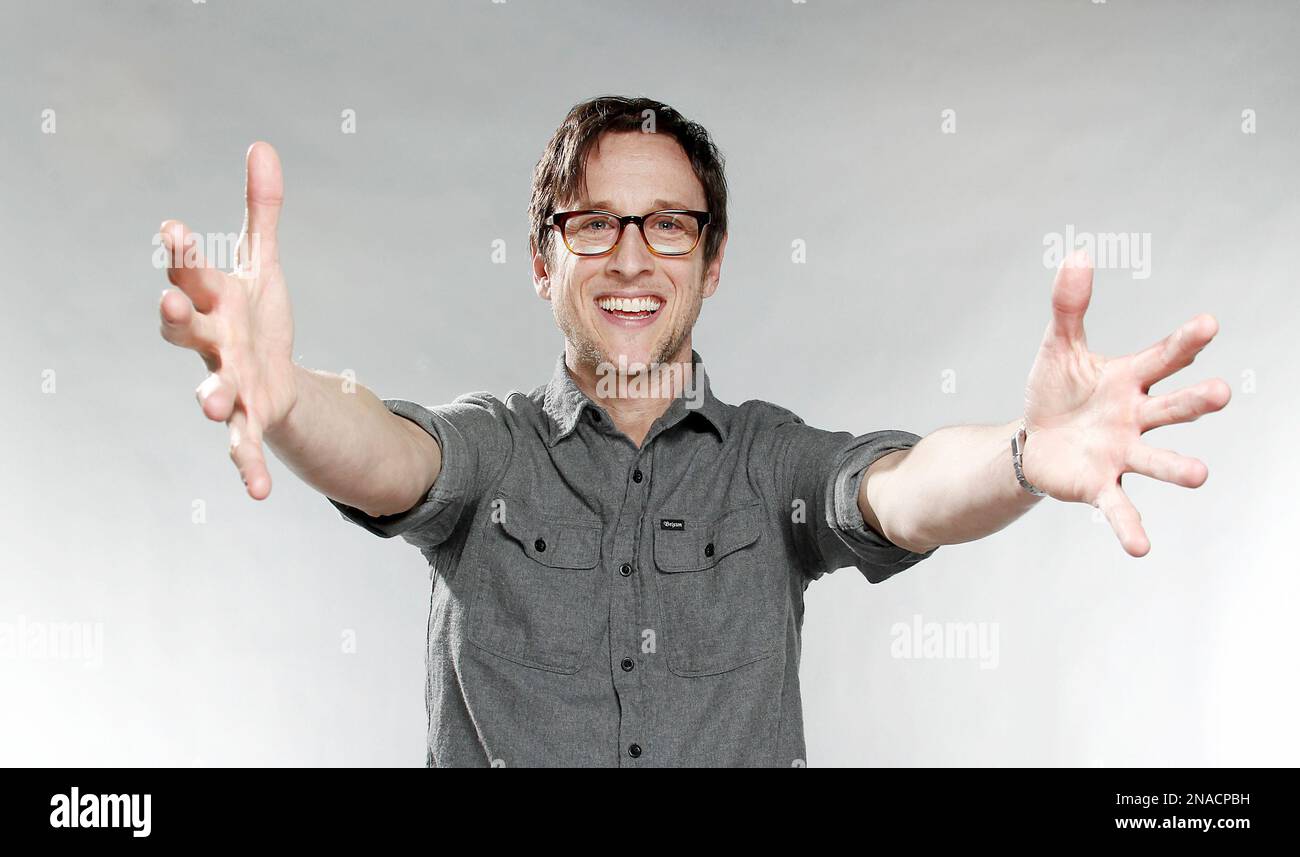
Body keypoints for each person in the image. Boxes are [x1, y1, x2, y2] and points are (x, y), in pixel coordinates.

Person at [156, 96, 1230, 767]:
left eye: (668, 224)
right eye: (593, 223)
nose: (631, 256)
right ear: (543, 260)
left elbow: (896, 489)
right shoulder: (490, 451)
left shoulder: (770, 463)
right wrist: (289, 395)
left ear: (710, 262)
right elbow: (392, 455)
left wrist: (1018, 458)